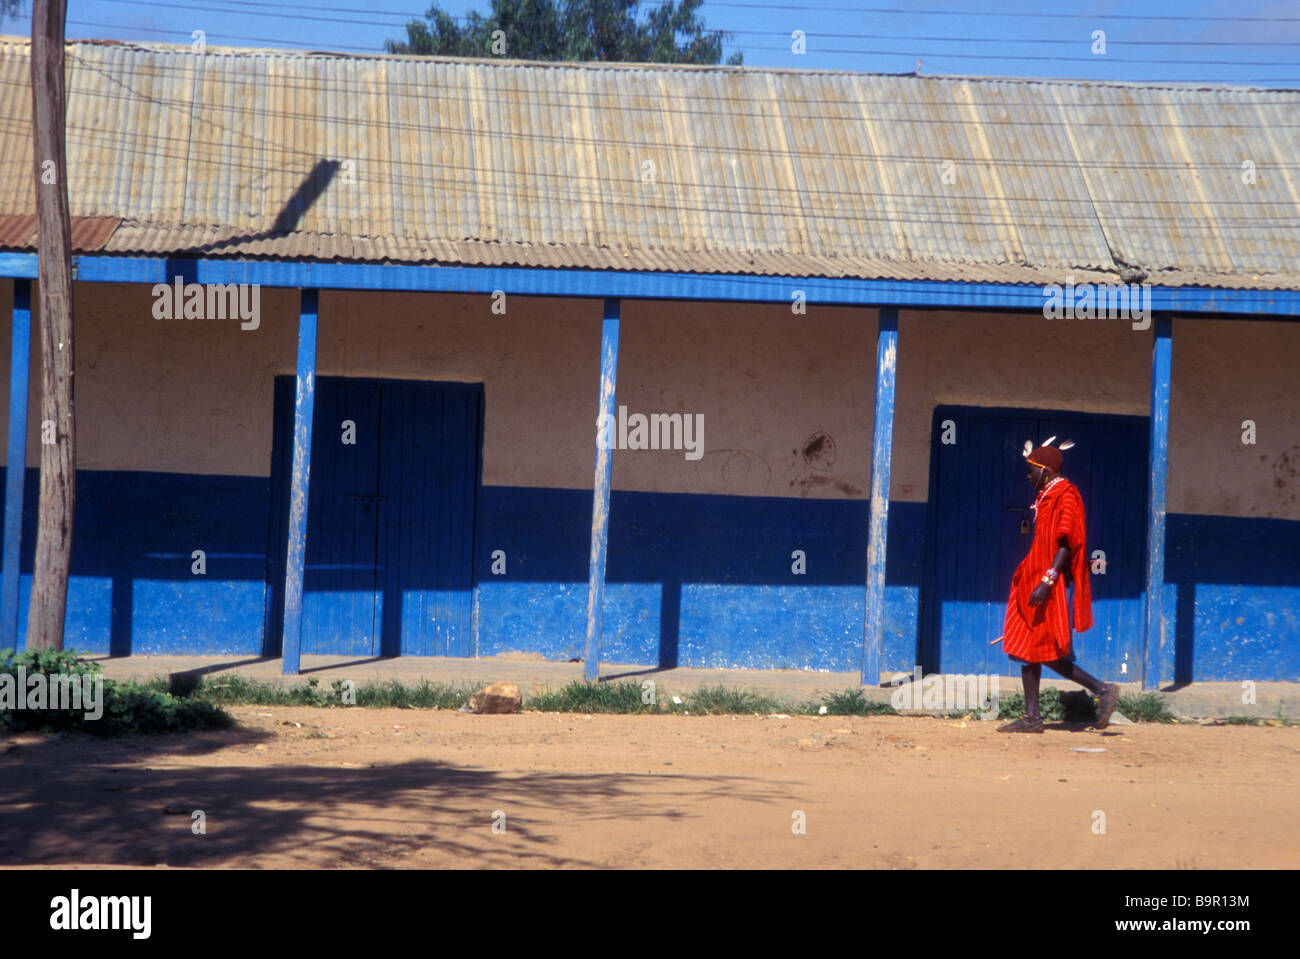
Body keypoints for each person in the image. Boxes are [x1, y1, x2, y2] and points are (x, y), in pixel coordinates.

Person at [997, 439, 1120, 733]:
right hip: (1032, 578)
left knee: (1046, 650)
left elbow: (1067, 542)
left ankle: (1102, 690)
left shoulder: (1066, 495)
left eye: (1031, 471)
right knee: (1026, 646)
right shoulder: (1046, 496)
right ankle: (1032, 718)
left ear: (1046, 470)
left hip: (1045, 583)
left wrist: (1047, 581)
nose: (1028, 477)